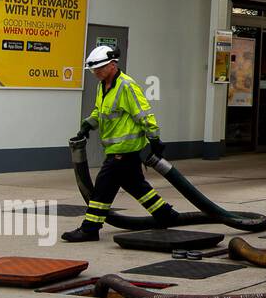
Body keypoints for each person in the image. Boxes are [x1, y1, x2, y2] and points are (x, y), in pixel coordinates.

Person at [61, 45, 181, 242]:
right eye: (93, 70)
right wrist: (87, 126)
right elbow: (99, 112)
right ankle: (164, 214)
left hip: (124, 150)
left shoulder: (126, 86)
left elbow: (144, 114)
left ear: (112, 65)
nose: (95, 73)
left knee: (102, 187)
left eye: (99, 69)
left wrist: (154, 139)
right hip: (116, 149)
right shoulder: (103, 86)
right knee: (136, 185)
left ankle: (90, 229)